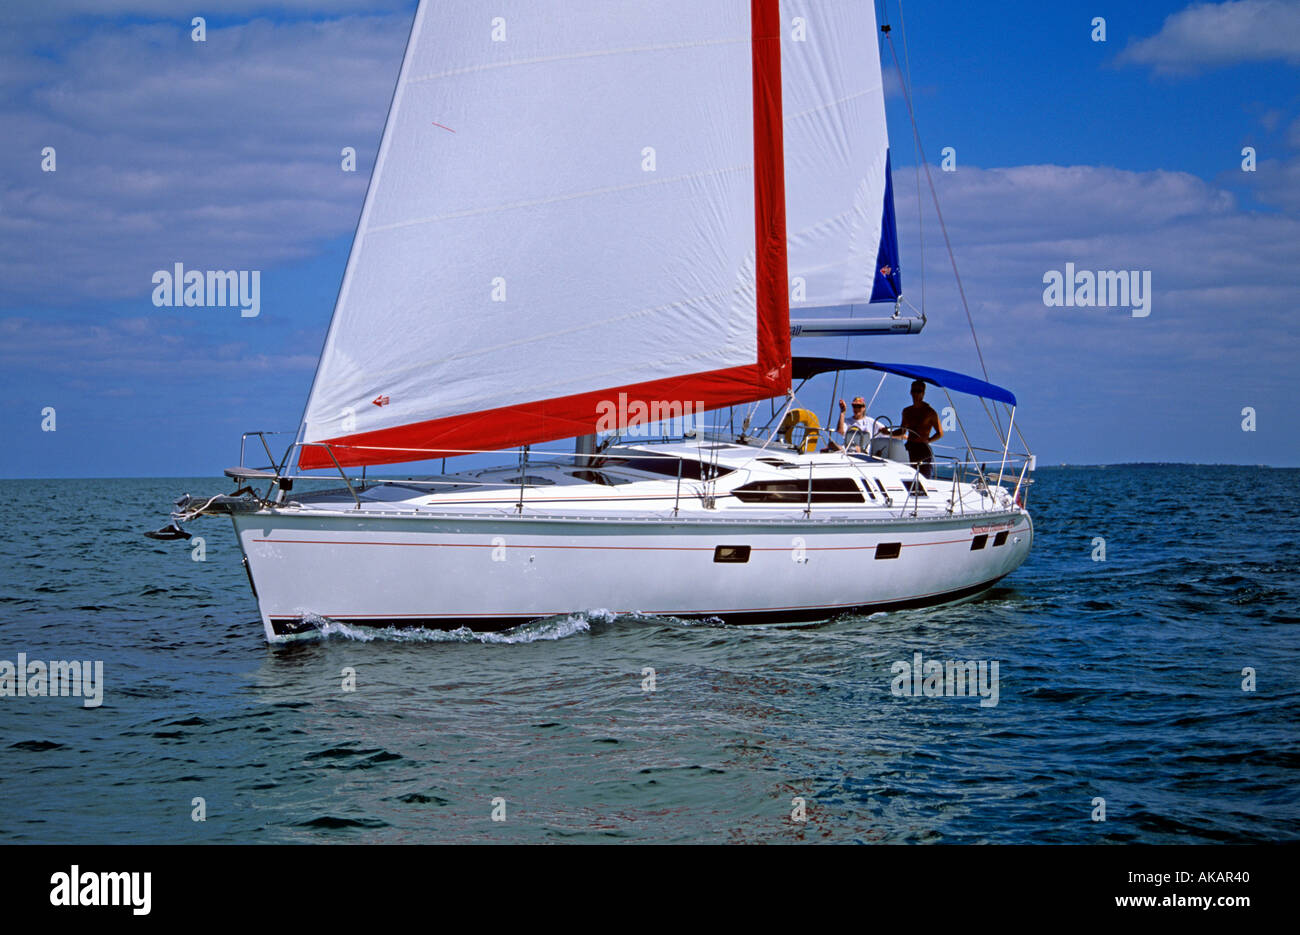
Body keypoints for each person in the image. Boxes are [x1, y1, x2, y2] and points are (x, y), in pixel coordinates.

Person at [896, 380, 943, 477]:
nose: (916, 394)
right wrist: (887, 432)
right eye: (914, 391)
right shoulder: (907, 411)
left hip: (923, 449)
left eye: (919, 391)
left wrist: (928, 440)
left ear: (923, 393)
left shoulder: (930, 412)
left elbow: (940, 433)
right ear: (910, 392)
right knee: (905, 475)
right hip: (909, 447)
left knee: (923, 477)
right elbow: (902, 430)